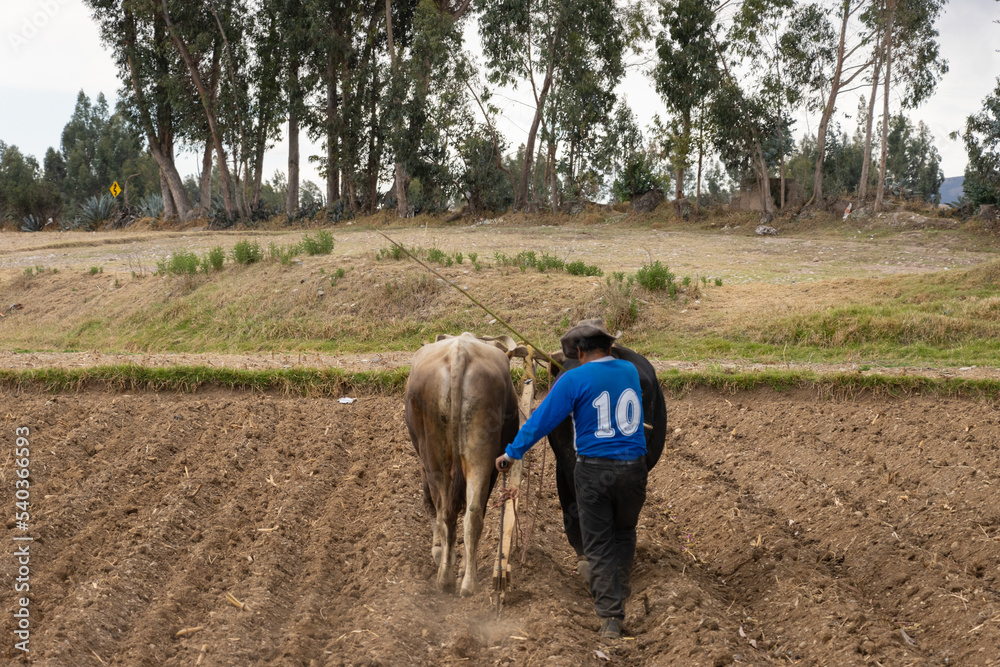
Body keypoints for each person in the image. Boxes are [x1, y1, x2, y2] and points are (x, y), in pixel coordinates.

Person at [495, 319, 647, 641]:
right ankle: (621, 591)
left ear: (578, 352)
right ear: (610, 347)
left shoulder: (572, 379)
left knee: (599, 544)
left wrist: (511, 454)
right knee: (624, 532)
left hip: (594, 471)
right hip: (635, 469)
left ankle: (610, 618)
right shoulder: (631, 373)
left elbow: (541, 422)